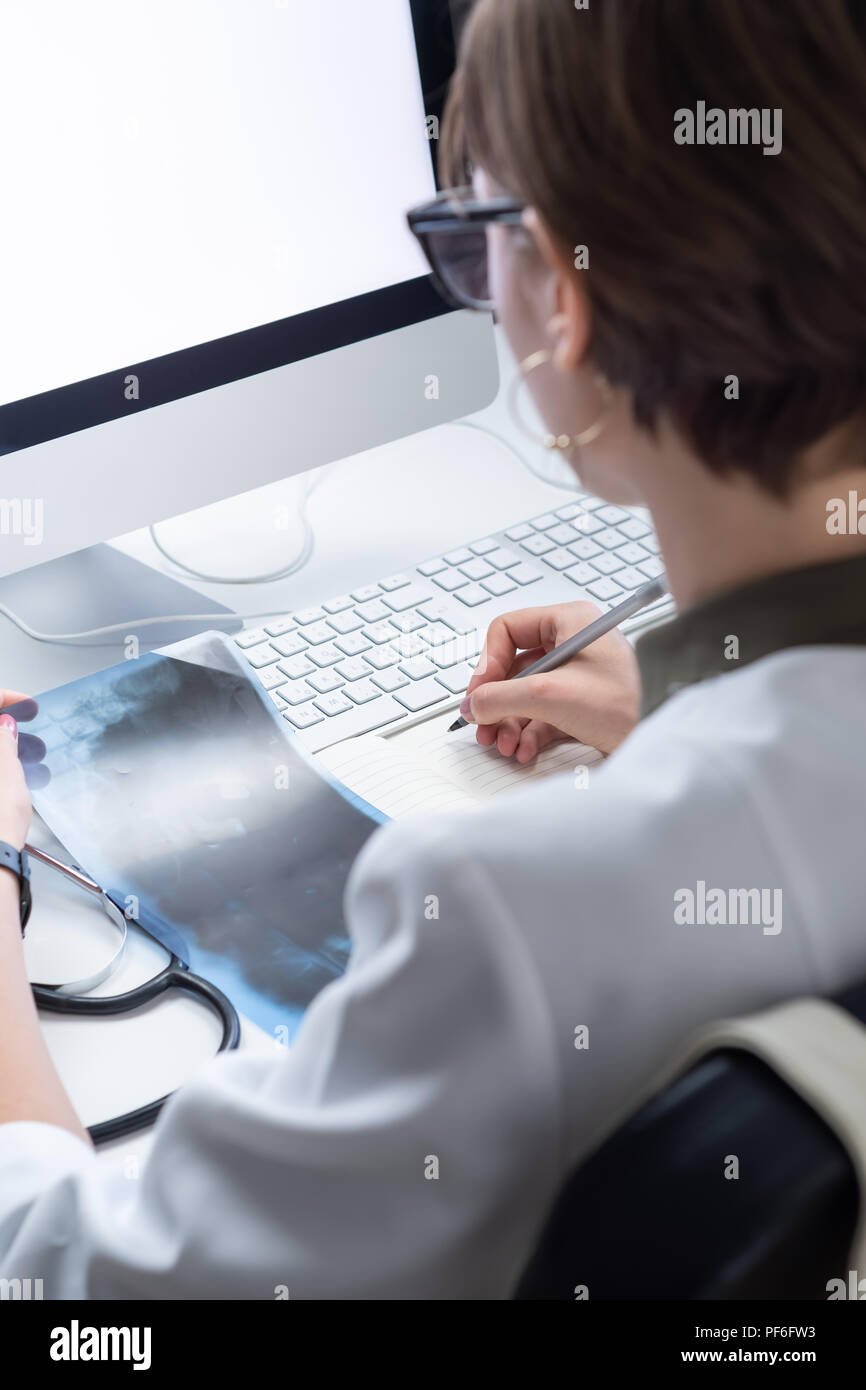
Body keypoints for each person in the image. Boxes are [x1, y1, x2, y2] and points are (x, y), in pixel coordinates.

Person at [1, 0, 865, 1298]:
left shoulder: (516, 914)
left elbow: (76, 1294)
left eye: (470, 241)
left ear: (561, 300)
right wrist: (697, 709)